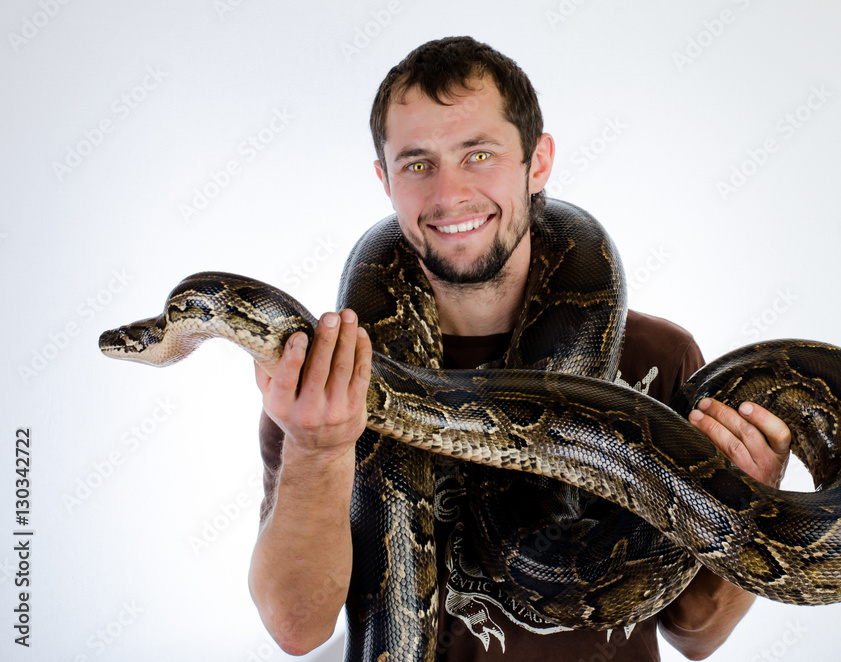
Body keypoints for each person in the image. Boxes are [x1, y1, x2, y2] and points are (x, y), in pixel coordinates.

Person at [249, 36, 791, 660]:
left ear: (537, 163)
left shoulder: (656, 357)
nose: (449, 195)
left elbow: (695, 634)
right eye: (417, 164)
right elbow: (297, 628)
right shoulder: (328, 382)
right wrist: (317, 450)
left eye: (478, 155)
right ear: (386, 181)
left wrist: (748, 507)